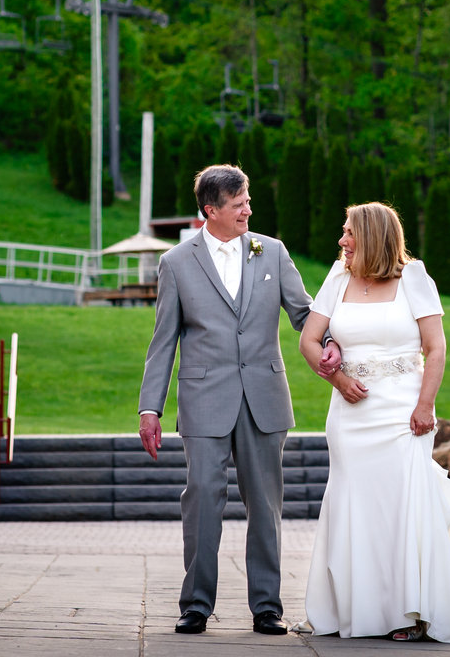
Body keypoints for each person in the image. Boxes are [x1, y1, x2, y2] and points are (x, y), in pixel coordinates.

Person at [138, 164, 339, 635]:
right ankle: (195, 605)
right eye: (239, 203)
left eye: (247, 200)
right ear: (211, 210)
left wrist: (330, 338)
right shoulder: (176, 262)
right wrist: (151, 408)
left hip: (265, 396)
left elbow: (304, 312)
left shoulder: (271, 251)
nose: (249, 209)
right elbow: (163, 340)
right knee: (203, 497)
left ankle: (267, 607)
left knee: (266, 504)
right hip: (204, 399)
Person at [296, 201, 450, 644]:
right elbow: (308, 339)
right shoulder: (338, 277)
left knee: (403, 508)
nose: (341, 240)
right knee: (354, 506)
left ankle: (408, 612)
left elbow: (436, 348)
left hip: (402, 415)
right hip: (350, 416)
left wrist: (425, 406)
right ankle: (353, 609)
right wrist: (337, 378)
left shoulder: (414, 277)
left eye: (348, 232)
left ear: (372, 235)